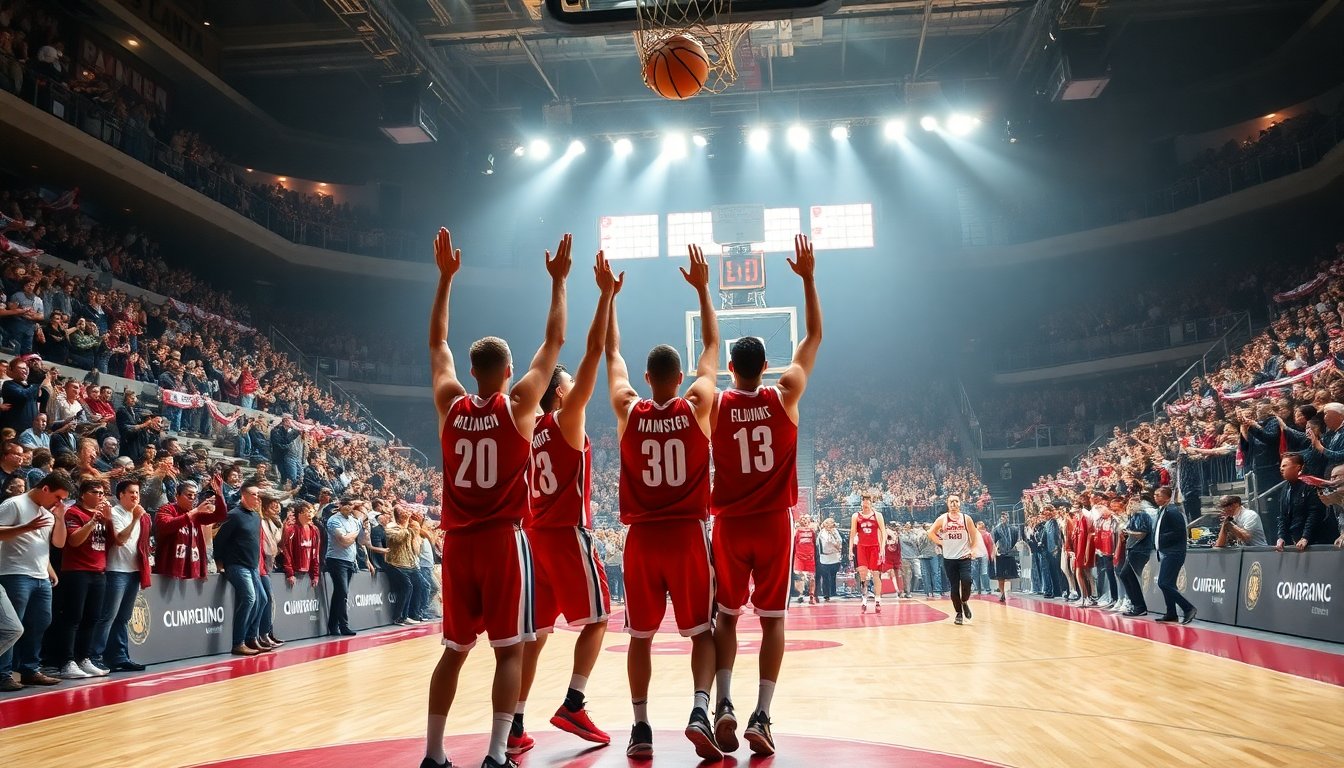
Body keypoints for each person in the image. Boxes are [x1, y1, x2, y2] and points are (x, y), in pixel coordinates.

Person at [422, 228, 569, 768]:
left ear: (472, 371)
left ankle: (434, 755)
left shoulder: (450, 405)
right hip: (504, 541)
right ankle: (494, 753)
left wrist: (444, 280)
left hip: (457, 545)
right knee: (509, 651)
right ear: (509, 372)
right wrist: (558, 283)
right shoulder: (519, 407)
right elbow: (553, 345)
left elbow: (437, 346)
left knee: (453, 654)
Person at [606, 244, 719, 760]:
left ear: (648, 379)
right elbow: (713, 350)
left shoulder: (629, 409)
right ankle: (700, 707)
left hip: (643, 539)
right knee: (702, 632)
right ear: (681, 379)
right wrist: (701, 290)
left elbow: (612, 357)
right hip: (688, 534)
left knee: (641, 637)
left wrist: (609, 299)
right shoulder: (698, 405)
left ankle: (640, 727)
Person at [708, 233, 818, 759]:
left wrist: (705, 291)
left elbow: (704, 357)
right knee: (773, 620)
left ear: (731, 368)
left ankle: (724, 704)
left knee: (725, 616)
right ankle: (762, 713)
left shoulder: (713, 405)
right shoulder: (787, 393)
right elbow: (814, 335)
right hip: (775, 523)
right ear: (767, 364)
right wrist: (808, 279)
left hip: (729, 525)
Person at [513, 251, 618, 755]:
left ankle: (512, 724)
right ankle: (574, 702)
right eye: (570, 383)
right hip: (563, 533)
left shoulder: (524, 427)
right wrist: (604, 296)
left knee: (536, 635)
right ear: (559, 393)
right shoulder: (563, 419)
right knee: (599, 618)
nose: (578, 386)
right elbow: (593, 351)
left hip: (534, 538)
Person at [0, 472, 77, 690]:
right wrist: (24, 527)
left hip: (40, 575)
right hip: (14, 573)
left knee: (40, 623)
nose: (59, 502)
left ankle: (30, 669)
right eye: (58, 497)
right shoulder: (14, 504)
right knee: (11, 627)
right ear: (45, 489)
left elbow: (58, 544)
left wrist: (60, 517)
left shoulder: (49, 513)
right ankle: (3, 673)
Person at [53, 479, 114, 679]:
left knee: (92, 618)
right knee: (72, 618)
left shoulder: (103, 515)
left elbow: (115, 543)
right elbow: (74, 540)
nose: (100, 496)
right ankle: (66, 662)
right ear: (82, 495)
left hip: (99, 571)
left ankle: (83, 659)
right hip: (76, 571)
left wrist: (109, 520)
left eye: (102, 493)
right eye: (96, 492)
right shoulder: (74, 513)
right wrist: (92, 522)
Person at [90, 478, 150, 672]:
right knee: (108, 616)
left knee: (123, 618)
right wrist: (134, 519)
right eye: (131, 492)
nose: (135, 496)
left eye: (137, 493)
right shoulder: (114, 513)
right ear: (120, 495)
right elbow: (120, 540)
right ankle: (95, 656)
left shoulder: (140, 515)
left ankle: (119, 656)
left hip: (133, 571)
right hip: (116, 570)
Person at [213, 482, 269, 656]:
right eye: (254, 494)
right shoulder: (234, 515)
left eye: (259, 495)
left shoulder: (256, 517)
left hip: (252, 566)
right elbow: (219, 541)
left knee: (263, 599)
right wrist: (219, 562)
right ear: (243, 495)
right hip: (236, 565)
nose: (258, 498)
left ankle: (251, 637)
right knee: (250, 598)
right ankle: (238, 642)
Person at [152, 481, 223, 579]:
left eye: (195, 495)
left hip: (192, 568)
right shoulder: (166, 509)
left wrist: (219, 494)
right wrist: (195, 511)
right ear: (177, 495)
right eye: (189, 495)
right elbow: (166, 525)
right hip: (170, 569)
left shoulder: (197, 515)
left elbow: (220, 515)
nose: (193, 498)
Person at [928, 494, 979, 625]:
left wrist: (973, 549)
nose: (954, 504)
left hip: (964, 556)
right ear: (947, 503)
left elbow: (974, 535)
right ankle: (958, 613)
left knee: (967, 581)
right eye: (951, 501)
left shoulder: (966, 519)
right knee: (954, 587)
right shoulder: (942, 519)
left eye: (956, 501)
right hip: (949, 558)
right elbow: (930, 532)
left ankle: (964, 601)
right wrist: (941, 542)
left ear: (960, 503)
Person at [1276, 453, 1338, 551]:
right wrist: (1281, 537)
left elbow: (1314, 514)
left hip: (1315, 541)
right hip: (1295, 540)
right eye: (1280, 466)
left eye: (1285, 465)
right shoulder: (1285, 489)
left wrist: (1305, 537)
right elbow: (1283, 516)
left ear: (1298, 468)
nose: (1281, 468)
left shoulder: (1310, 485)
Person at [1153, 486, 1196, 624]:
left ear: (1167, 497)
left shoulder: (1172, 511)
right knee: (1169, 583)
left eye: (1158, 495)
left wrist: (1161, 538)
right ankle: (1171, 613)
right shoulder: (1163, 510)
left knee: (1163, 583)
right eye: (1154, 495)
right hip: (1166, 551)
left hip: (1174, 552)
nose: (1155, 497)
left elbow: (1179, 532)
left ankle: (1188, 608)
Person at [324, 499, 362, 637]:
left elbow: (362, 540)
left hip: (350, 560)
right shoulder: (334, 520)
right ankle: (343, 625)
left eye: (350, 504)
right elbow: (344, 541)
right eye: (345, 504)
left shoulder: (354, 520)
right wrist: (356, 532)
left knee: (340, 594)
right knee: (343, 592)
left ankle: (333, 625)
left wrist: (356, 532)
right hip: (336, 559)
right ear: (339, 505)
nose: (348, 507)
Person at [1119, 495, 1153, 617]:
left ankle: (1139, 606)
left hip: (1141, 550)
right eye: (1129, 504)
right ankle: (1137, 605)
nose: (1130, 506)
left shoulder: (1142, 515)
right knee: (1125, 575)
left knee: (1127, 575)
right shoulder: (1134, 516)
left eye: (1133, 504)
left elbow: (1142, 534)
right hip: (1133, 549)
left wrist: (1128, 532)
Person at [849, 498, 885, 612]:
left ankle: (878, 600)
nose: (865, 505)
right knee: (863, 575)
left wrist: (882, 548)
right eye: (864, 503)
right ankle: (864, 600)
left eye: (867, 503)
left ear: (871, 504)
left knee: (876, 574)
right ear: (861, 504)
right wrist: (850, 549)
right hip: (861, 547)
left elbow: (883, 531)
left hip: (874, 547)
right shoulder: (856, 516)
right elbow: (852, 533)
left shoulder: (877, 515)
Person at [991, 512, 1020, 603]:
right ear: (999, 518)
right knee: (1000, 576)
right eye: (1002, 517)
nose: (1004, 518)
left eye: (1005, 517)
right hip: (1000, 555)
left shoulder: (1014, 529)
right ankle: (1002, 593)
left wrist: (1012, 549)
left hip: (1010, 554)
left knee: (1010, 575)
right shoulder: (996, 529)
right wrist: (995, 552)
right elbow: (993, 542)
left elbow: (1016, 540)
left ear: (1008, 518)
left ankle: (1009, 591)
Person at [792, 514, 818, 605]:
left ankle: (811, 596)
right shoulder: (797, 531)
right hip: (799, 557)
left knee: (812, 577)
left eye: (806, 519)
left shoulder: (812, 531)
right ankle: (800, 594)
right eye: (803, 519)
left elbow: (814, 544)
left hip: (810, 557)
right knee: (799, 577)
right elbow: (793, 544)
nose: (805, 521)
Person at [816, 517, 842, 601]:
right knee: (825, 576)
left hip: (834, 557)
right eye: (829, 523)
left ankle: (833, 592)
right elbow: (823, 543)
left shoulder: (835, 532)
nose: (831, 524)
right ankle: (826, 594)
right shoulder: (822, 533)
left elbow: (839, 542)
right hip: (824, 557)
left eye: (832, 523)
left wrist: (833, 536)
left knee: (833, 575)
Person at [881, 521, 903, 600]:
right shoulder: (885, 532)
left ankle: (900, 590)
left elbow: (899, 545)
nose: (893, 527)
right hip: (887, 554)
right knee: (890, 571)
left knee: (897, 572)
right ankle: (895, 589)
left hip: (895, 554)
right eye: (891, 525)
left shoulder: (897, 533)